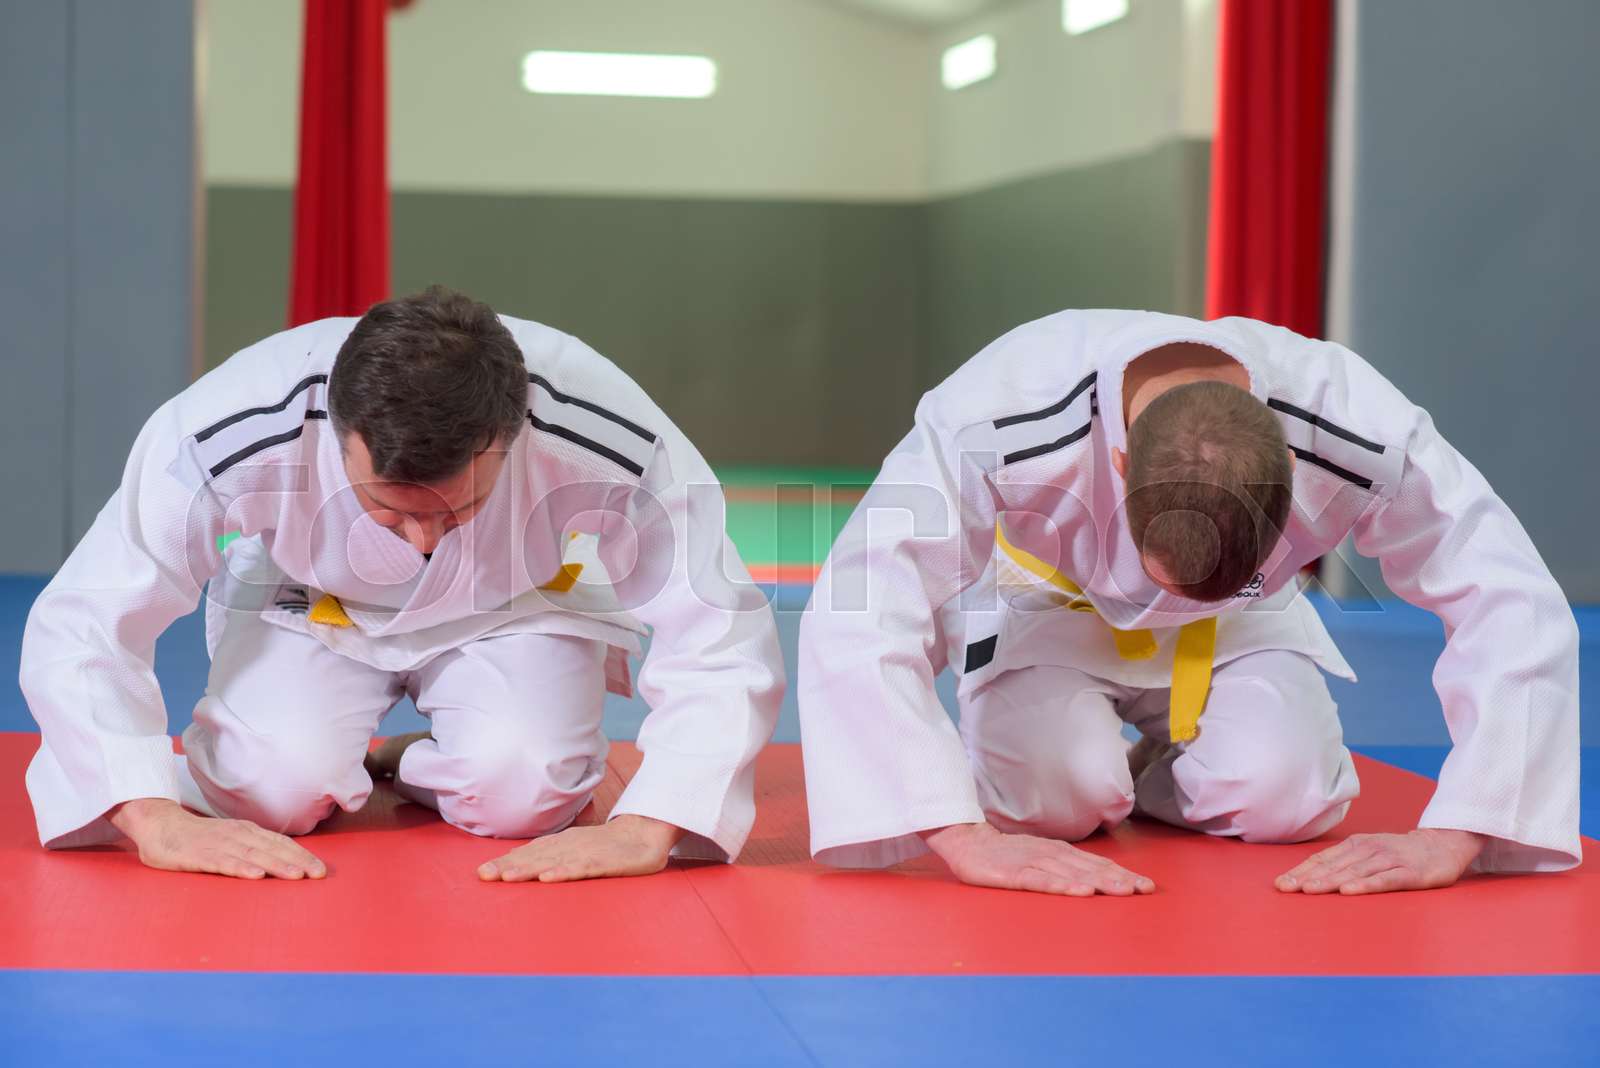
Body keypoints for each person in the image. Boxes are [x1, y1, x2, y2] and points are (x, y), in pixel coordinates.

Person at [798, 309, 1579, 897]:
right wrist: (956, 833)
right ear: (1117, 462)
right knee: (1056, 799)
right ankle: (1089, 762)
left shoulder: (1353, 424)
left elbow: (1509, 595)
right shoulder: (999, 408)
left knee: (1289, 801)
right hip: (1052, 609)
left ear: (1290, 466)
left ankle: (1159, 772)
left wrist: (1466, 828)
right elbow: (865, 598)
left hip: (1244, 615)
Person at [21, 286, 783, 883]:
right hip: (313, 600)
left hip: (516, 600)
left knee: (526, 791)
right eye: (388, 508)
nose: (421, 540)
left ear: (510, 432)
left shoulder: (601, 429)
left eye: (458, 508)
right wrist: (149, 815)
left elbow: (718, 620)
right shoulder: (234, 421)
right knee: (266, 790)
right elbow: (89, 613)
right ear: (337, 430)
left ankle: (412, 756)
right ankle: (356, 751)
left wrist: (653, 822)